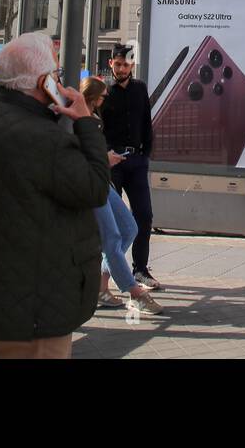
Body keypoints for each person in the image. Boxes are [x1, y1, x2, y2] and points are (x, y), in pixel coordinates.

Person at [0, 32, 111, 358]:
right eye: (56, 74)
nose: (59, 81)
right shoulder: (46, 141)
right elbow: (95, 187)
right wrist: (86, 124)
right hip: (32, 317)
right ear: (43, 82)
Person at [81, 76, 162, 315]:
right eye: (103, 96)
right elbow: (78, 152)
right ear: (94, 97)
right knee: (113, 237)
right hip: (94, 181)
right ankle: (134, 293)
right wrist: (105, 158)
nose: (106, 99)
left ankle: (102, 286)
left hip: (102, 177)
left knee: (129, 228)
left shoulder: (91, 114)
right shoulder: (76, 117)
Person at [99, 44, 162, 290]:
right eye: (118, 64)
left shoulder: (139, 89)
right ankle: (112, 269)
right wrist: (106, 153)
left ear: (132, 65)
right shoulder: (103, 90)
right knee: (113, 222)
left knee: (144, 215)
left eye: (126, 64)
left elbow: (146, 122)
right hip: (112, 162)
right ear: (111, 64)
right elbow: (96, 125)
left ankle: (140, 270)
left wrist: (145, 152)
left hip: (136, 162)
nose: (122, 68)